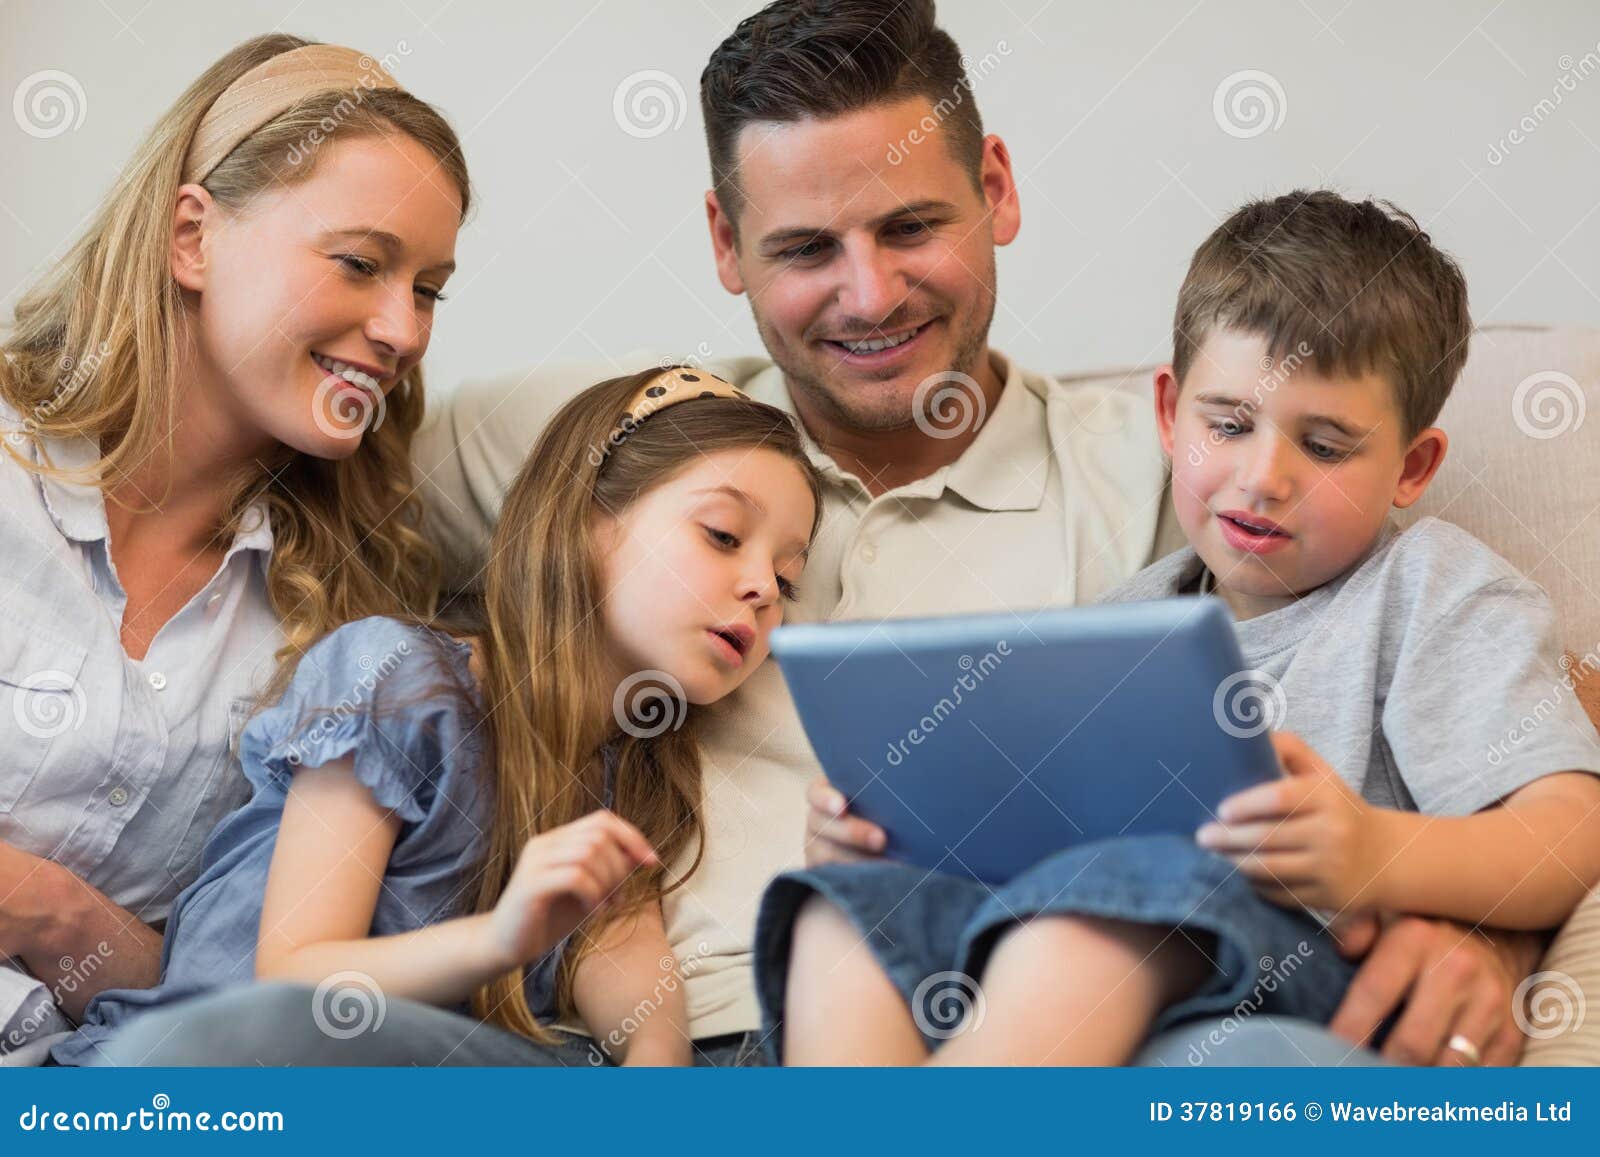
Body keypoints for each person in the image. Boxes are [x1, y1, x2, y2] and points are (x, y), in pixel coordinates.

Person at [109, 0, 1549, 1068]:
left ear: (996, 192)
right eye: (803, 248)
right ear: (729, 250)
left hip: (1015, 1018)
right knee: (224, 1057)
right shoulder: (601, 442)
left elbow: (1475, 673)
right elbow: (248, 479)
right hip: (624, 1053)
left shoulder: (1185, 463)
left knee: (1248, 1061)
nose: (868, 295)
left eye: (911, 226)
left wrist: (1462, 912)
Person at [757, 191, 1600, 1066]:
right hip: (1093, 993)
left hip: (1299, 973)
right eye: (1228, 425)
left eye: (1324, 445)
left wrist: (1374, 851)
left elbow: (1572, 826)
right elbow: (1023, 864)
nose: (1263, 477)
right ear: (1169, 415)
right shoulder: (1122, 627)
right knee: (843, 909)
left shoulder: (1432, 589)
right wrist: (889, 835)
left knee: (1105, 905)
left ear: (1412, 466)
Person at [67, 368, 823, 1066]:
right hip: (218, 1067)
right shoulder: (399, 680)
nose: (762, 587)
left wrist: (660, 1074)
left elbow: (621, 943)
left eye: (787, 578)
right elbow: (295, 975)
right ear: (586, 518)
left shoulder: (636, 763)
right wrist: (502, 939)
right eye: (723, 535)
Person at [0, 34, 467, 1064]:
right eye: (360, 262)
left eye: (430, 287)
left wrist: (59, 916)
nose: (404, 329)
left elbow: (229, 985)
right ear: (192, 238)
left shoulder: (343, 615)